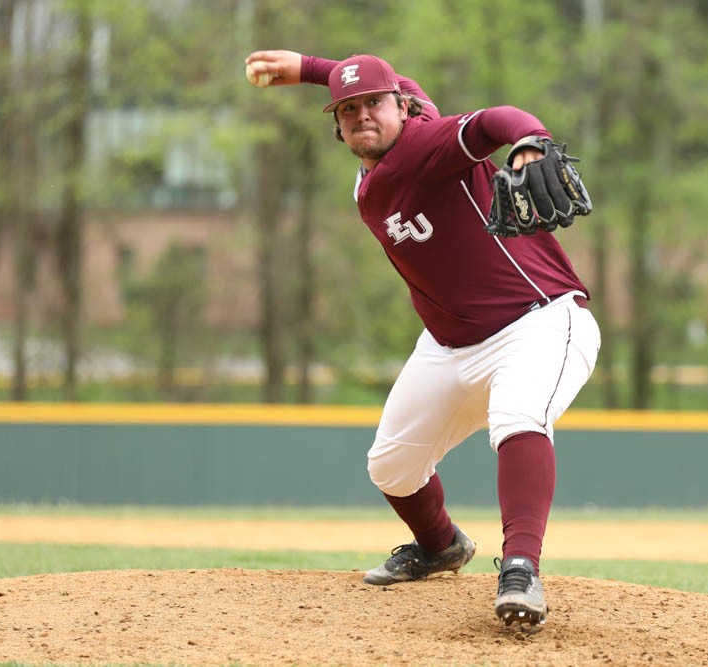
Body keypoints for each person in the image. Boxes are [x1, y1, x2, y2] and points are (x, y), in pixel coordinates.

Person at [243, 50, 600, 627]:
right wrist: (309, 69)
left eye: (375, 105)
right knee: (391, 467)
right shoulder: (381, 146)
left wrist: (529, 141)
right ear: (335, 126)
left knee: (518, 419)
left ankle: (521, 570)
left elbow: (494, 120)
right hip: (448, 345)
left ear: (404, 109)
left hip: (538, 323)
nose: (363, 115)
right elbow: (367, 78)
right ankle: (441, 547)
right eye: (348, 109)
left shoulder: (425, 143)